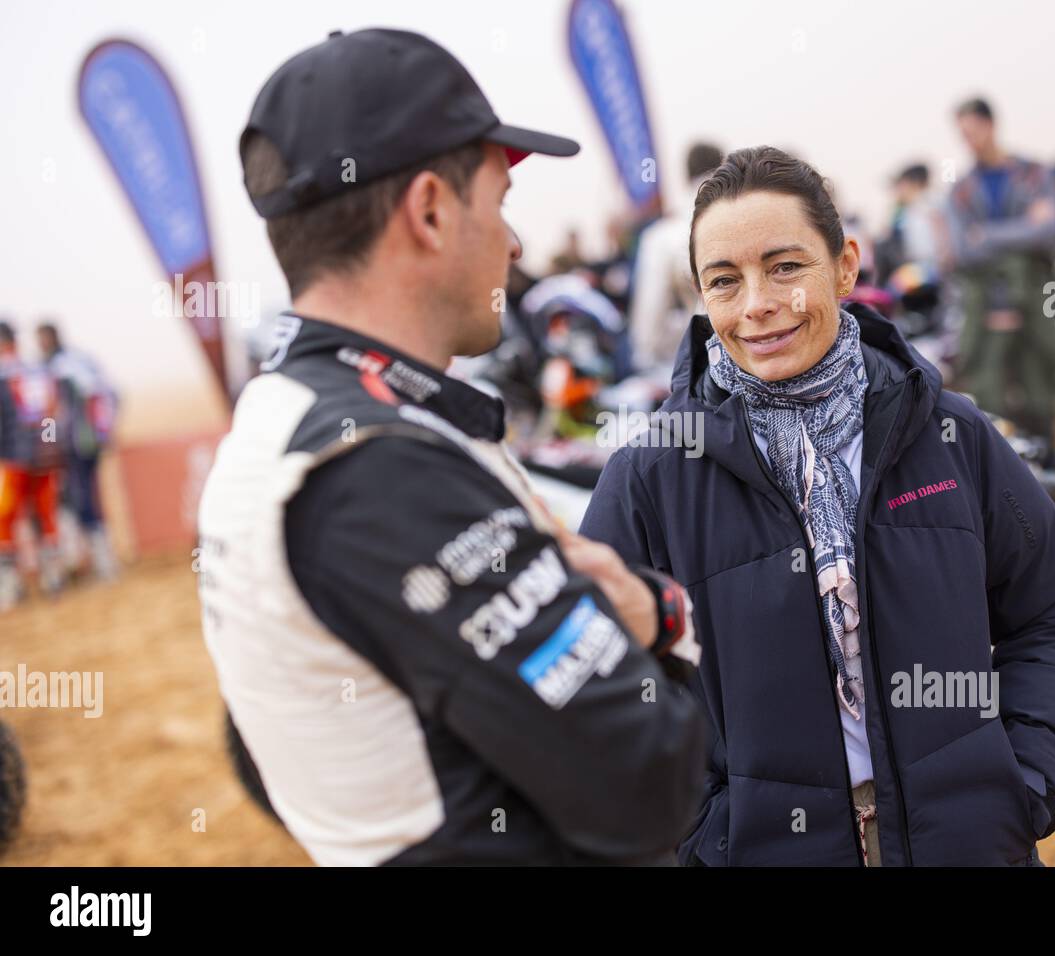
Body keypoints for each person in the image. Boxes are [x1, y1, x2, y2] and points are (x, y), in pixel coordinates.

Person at [198, 28, 706, 866]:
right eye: (499, 201)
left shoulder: (278, 417)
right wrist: (661, 617)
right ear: (431, 210)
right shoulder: (378, 463)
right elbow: (647, 779)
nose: (513, 243)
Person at [580, 146, 1055, 866]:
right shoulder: (652, 476)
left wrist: (1024, 782)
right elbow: (600, 682)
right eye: (724, 281)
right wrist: (706, 836)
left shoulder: (952, 435)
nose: (757, 303)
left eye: (785, 266)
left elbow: (1050, 608)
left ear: (846, 264)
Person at [945, 97, 1055, 440]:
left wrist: (989, 234)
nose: (969, 140)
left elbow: (1052, 229)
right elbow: (963, 250)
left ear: (991, 125)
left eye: (973, 131)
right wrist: (1024, 228)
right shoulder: (963, 190)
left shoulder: (1034, 174)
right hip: (986, 306)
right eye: (963, 134)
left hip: (1035, 298)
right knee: (990, 391)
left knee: (1042, 384)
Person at [627, 142, 723, 376]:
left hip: (704, 362)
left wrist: (646, 357)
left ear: (686, 174)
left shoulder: (662, 236)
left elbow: (651, 313)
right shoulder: (749, 216)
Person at [36, 321, 119, 581]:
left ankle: (102, 563)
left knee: (79, 500)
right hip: (87, 443)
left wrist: (48, 443)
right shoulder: (80, 362)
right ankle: (94, 561)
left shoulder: (59, 369)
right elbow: (112, 395)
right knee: (78, 500)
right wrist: (104, 432)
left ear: (51, 338)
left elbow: (50, 412)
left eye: (42, 339)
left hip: (76, 446)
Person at [0, 321, 63, 610]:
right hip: (44, 458)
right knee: (46, 515)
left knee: (4, 520)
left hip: (14, 460)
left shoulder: (5, 374)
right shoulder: (37, 370)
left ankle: (10, 588)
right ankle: (54, 579)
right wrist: (48, 445)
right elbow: (52, 411)